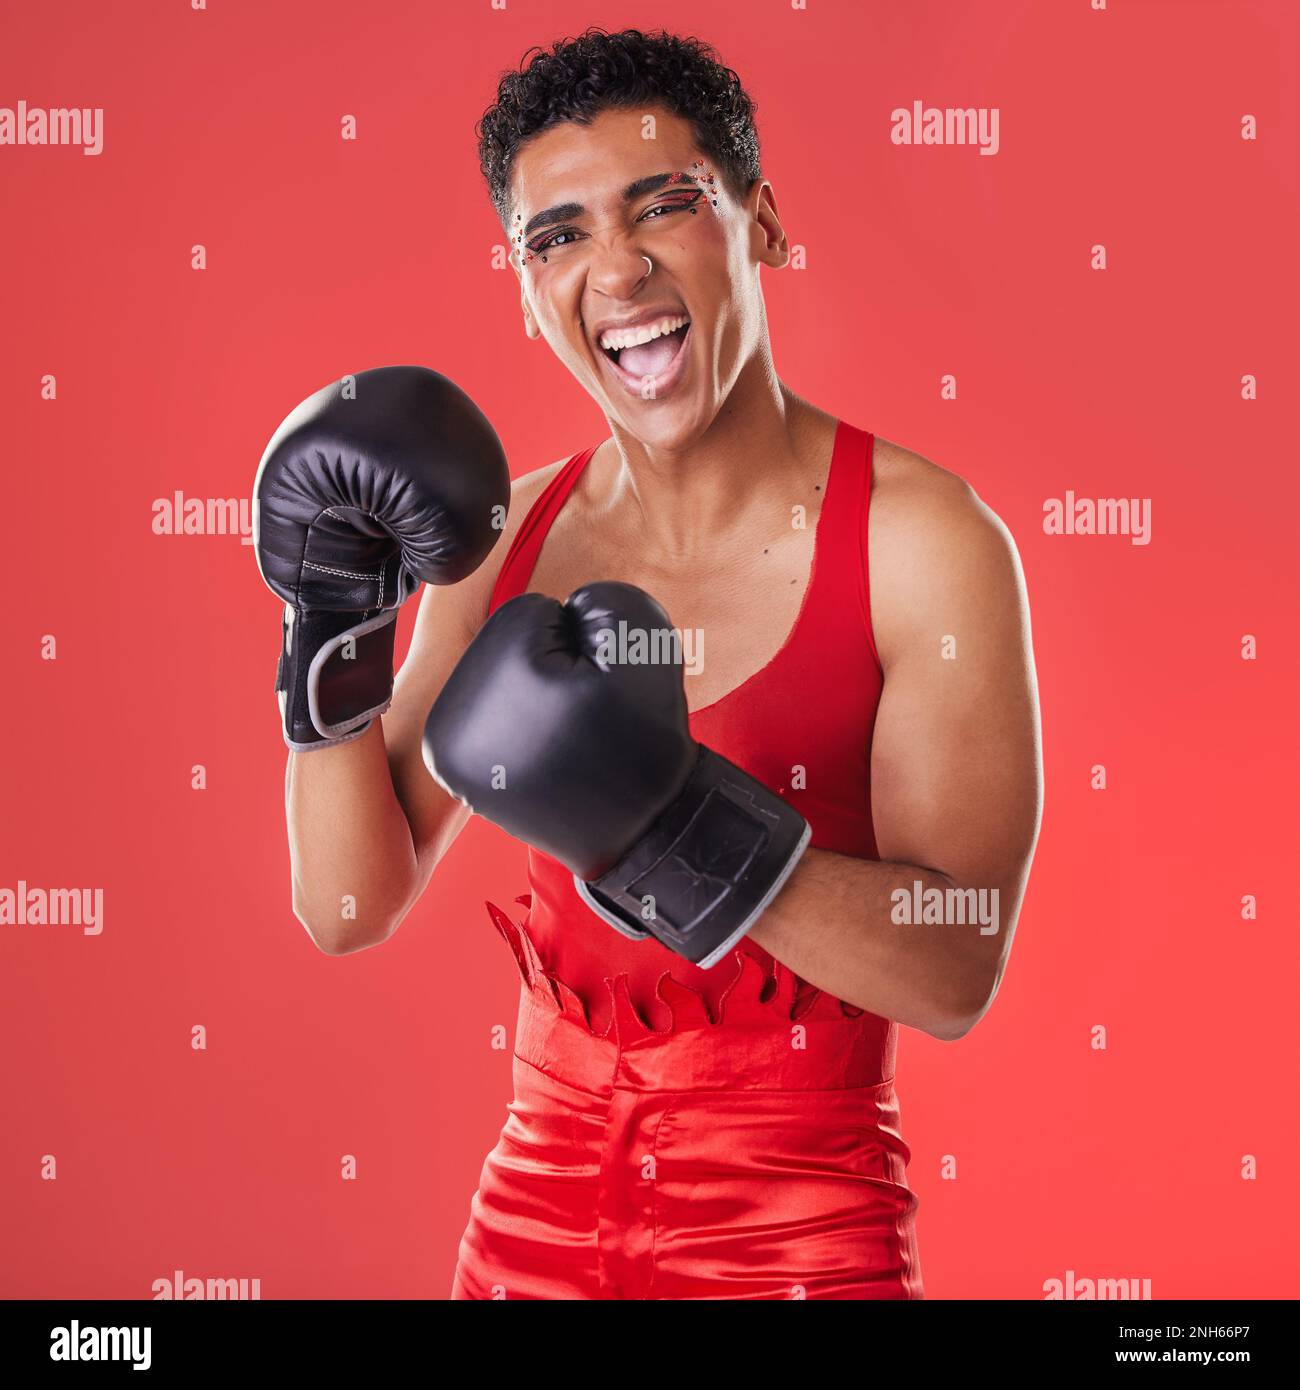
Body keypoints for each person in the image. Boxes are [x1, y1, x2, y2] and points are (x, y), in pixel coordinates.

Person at [258, 29, 1041, 1300]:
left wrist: (662, 826)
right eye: (556, 236)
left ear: (763, 224)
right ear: (523, 288)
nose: (614, 269)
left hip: (796, 1232)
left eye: (663, 205)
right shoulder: (509, 537)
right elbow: (347, 908)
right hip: (528, 1226)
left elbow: (956, 966)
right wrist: (326, 627)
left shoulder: (919, 542)